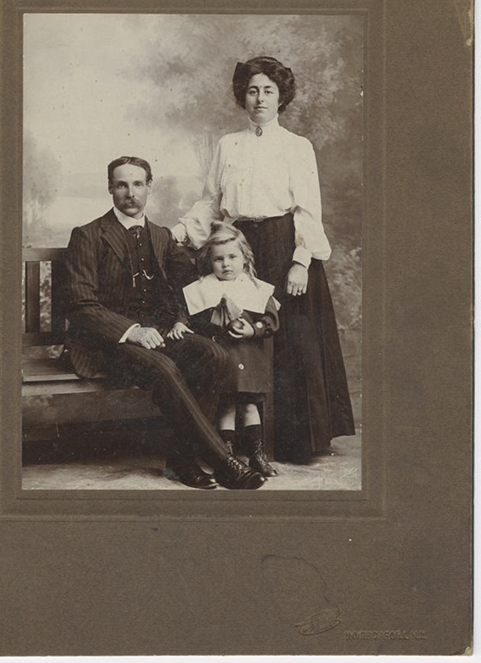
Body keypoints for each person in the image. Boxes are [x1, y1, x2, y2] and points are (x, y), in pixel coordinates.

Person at [172, 57, 356, 464]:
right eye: (253, 90)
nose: (259, 98)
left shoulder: (297, 147)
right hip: (239, 246)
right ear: (243, 96)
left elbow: (308, 209)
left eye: (268, 91)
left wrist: (300, 261)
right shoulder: (227, 145)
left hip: (283, 243)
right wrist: (181, 232)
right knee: (237, 337)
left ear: (281, 97)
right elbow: (211, 202)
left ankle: (293, 443)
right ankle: (239, 444)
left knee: (288, 339)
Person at [63, 155, 267, 489]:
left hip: (155, 335)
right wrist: (133, 332)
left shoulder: (160, 236)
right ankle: (222, 461)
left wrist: (178, 319)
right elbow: (81, 305)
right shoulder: (88, 235)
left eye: (138, 184)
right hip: (106, 343)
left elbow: (182, 287)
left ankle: (181, 459)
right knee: (164, 368)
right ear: (110, 189)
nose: (131, 193)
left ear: (149, 187)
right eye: (122, 185)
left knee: (213, 356)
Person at [183, 221, 279, 478]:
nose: (226, 264)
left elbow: (271, 320)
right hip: (224, 361)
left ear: (245, 258)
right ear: (210, 261)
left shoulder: (256, 288)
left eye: (232, 257)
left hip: (250, 359)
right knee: (226, 407)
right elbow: (193, 318)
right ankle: (226, 456)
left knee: (249, 406)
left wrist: (254, 329)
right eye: (219, 259)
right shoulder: (204, 288)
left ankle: (257, 456)